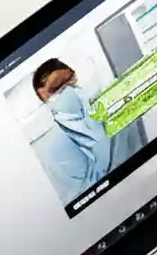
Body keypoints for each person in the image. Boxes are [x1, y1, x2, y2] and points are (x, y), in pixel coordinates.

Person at [32, 58, 113, 202]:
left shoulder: (105, 98)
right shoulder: (56, 150)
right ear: (47, 103)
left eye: (69, 80)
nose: (68, 91)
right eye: (57, 90)